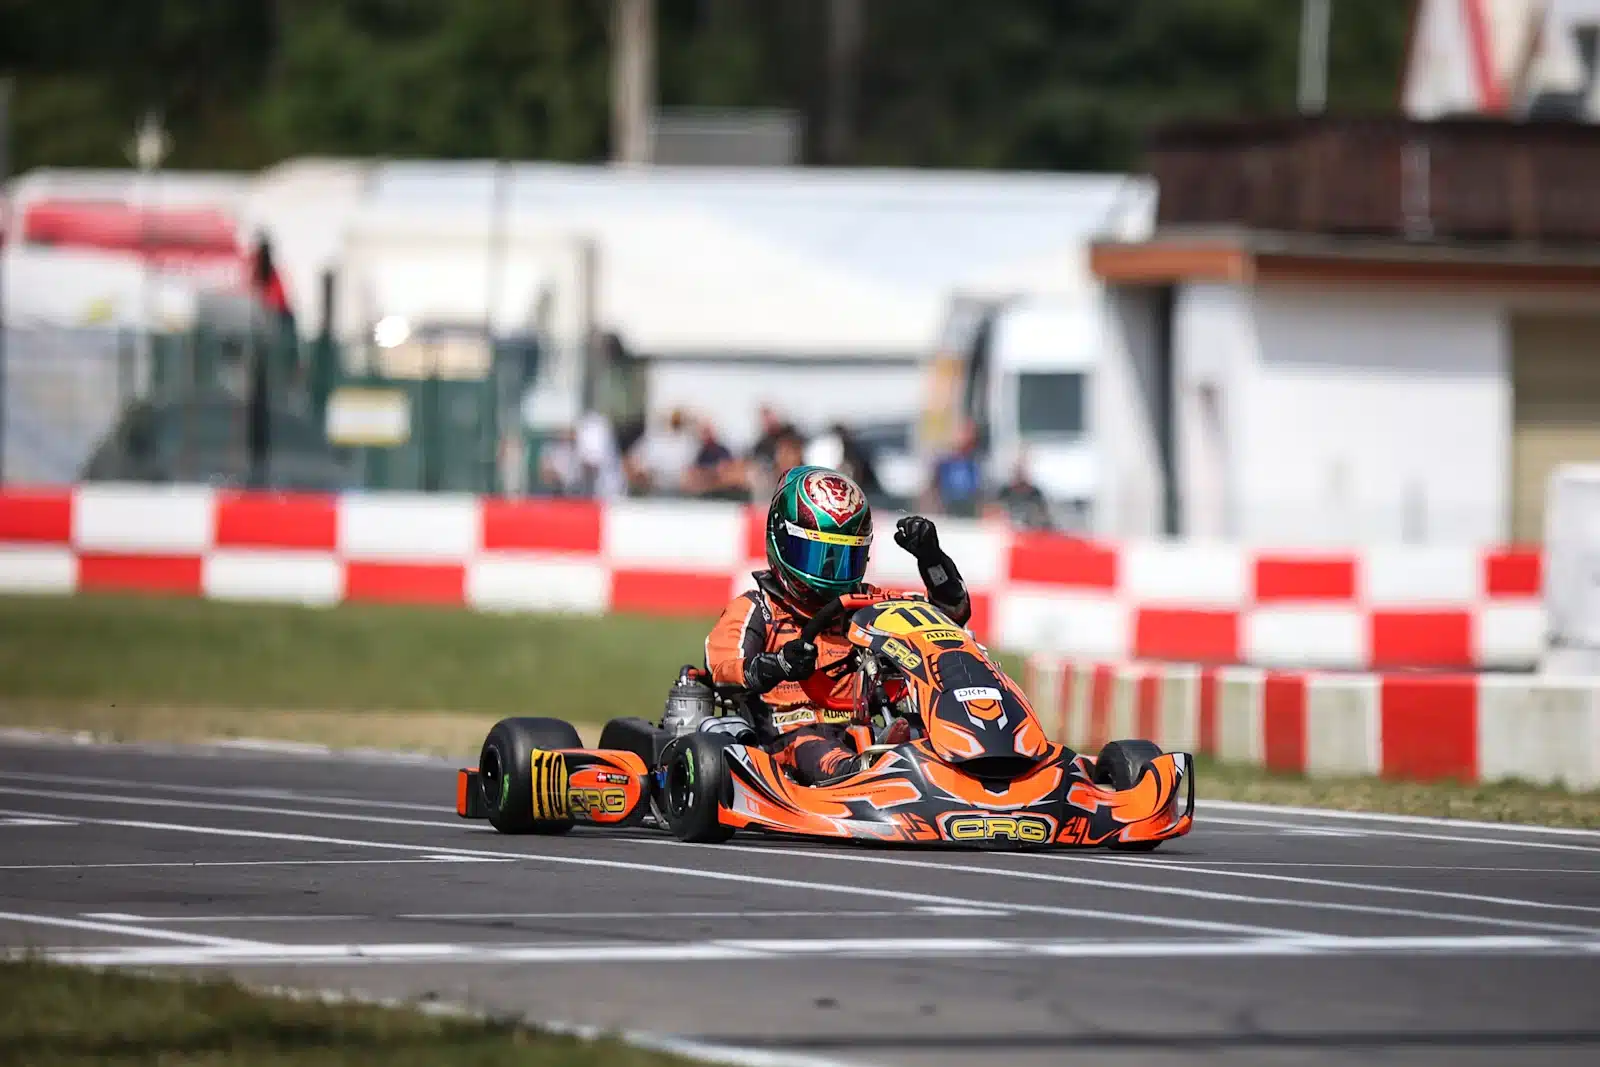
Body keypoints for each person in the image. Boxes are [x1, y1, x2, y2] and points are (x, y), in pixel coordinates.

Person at [703, 465, 972, 786]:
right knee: (814, 749)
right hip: (789, 735)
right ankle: (862, 775)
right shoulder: (759, 608)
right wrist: (779, 664)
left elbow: (948, 617)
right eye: (819, 556)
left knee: (922, 731)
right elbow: (721, 669)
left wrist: (931, 559)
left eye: (846, 558)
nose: (831, 573)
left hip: (865, 728)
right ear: (784, 542)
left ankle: (965, 763)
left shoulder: (867, 603)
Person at [624, 408, 696, 495]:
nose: (675, 422)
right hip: (651, 488)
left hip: (678, 490)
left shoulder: (688, 441)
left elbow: (687, 470)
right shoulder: (654, 438)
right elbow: (634, 461)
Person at [927, 419, 983, 518]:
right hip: (949, 506)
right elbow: (934, 485)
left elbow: (978, 489)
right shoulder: (945, 461)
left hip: (968, 507)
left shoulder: (973, 462)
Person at [989, 454, 1050, 530]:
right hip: (1008, 530)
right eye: (1017, 472)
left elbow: (1043, 516)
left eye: (1021, 472)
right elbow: (995, 512)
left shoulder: (1035, 493)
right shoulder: (1004, 492)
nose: (1019, 475)